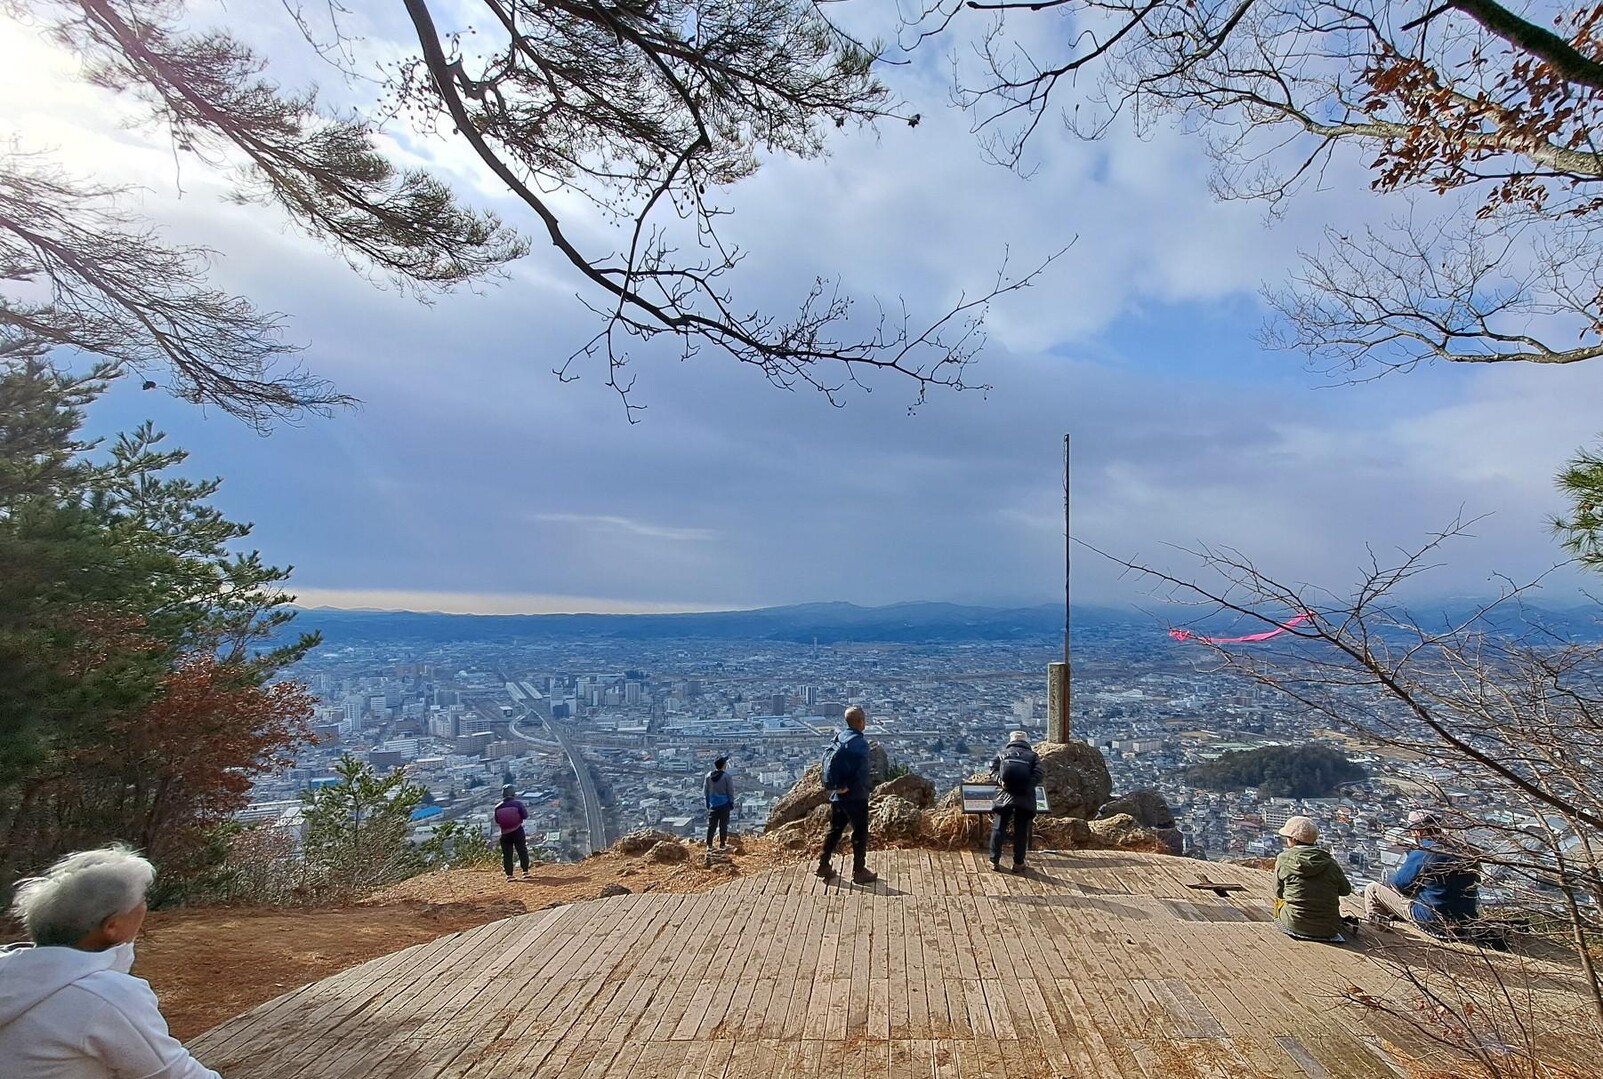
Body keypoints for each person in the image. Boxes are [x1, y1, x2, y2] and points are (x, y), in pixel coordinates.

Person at [0, 844, 221, 1078]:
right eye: (141, 900)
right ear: (111, 926)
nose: (144, 908)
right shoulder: (105, 997)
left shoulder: (12, 974)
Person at [1364, 810, 1481, 936]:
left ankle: (1380, 932)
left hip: (1433, 921)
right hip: (1467, 923)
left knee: (1373, 889)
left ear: (1419, 831)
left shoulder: (1425, 851)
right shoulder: (1465, 850)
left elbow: (1398, 885)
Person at [816, 705, 877, 884]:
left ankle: (823, 864)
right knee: (860, 832)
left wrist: (839, 787)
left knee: (835, 830)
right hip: (855, 796)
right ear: (860, 722)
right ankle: (859, 871)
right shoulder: (860, 743)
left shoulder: (840, 737)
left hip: (838, 795)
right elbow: (862, 773)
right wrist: (857, 788)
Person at [1272, 816, 1353, 941]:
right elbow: (1345, 890)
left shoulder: (1284, 859)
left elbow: (1279, 892)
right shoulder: (1330, 862)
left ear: (1293, 840)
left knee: (1278, 904)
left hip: (1294, 923)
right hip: (1329, 928)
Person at [989, 730, 1042, 873]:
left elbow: (992, 769)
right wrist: (1026, 786)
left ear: (1011, 740)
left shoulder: (1002, 754)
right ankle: (1018, 863)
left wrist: (1001, 782)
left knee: (999, 827)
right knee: (1021, 830)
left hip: (1004, 794)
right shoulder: (1032, 756)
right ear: (1026, 741)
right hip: (1024, 796)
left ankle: (994, 861)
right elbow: (1038, 774)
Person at [494, 784, 531, 881]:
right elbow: (525, 815)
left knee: (507, 854)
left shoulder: (497, 807)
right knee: (522, 851)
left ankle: (509, 875)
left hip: (505, 833)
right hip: (518, 830)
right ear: (513, 794)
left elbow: (497, 821)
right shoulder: (518, 804)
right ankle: (525, 872)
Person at [703, 756, 735, 849]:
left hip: (713, 804)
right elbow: (730, 791)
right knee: (723, 825)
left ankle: (709, 844)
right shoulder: (727, 777)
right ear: (724, 765)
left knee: (711, 825)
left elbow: (706, 791)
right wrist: (731, 802)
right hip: (724, 804)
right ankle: (722, 844)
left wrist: (707, 803)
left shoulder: (708, 776)